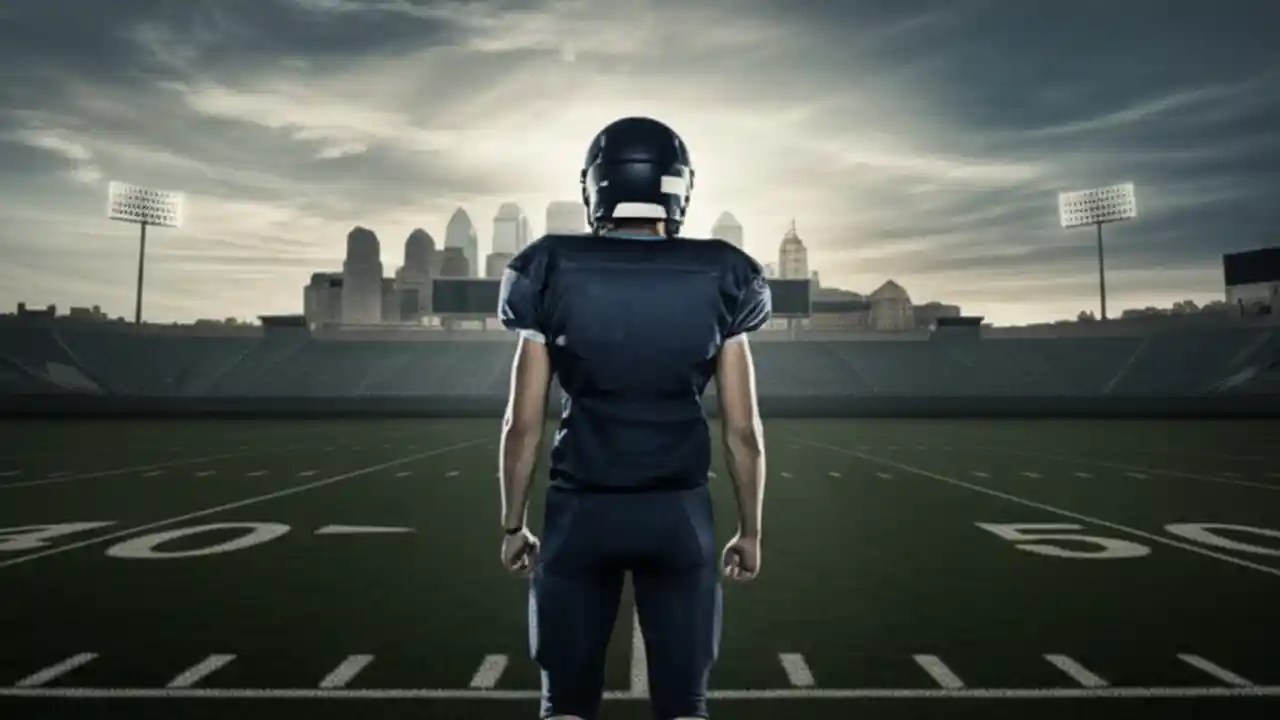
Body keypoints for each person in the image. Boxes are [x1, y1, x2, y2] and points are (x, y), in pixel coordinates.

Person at [496, 116, 771, 720]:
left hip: (581, 513)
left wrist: (514, 522)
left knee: (565, 704)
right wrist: (749, 531)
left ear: (596, 185)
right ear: (679, 187)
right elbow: (743, 431)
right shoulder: (725, 272)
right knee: (684, 706)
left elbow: (523, 425)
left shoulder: (548, 265)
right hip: (678, 516)